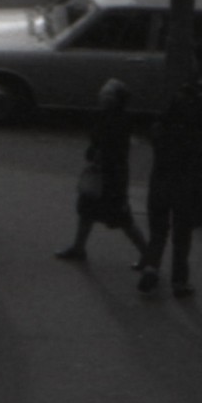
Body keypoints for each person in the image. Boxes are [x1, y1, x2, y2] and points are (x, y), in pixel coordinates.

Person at [54, 80, 151, 265]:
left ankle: (148, 255)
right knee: (88, 211)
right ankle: (79, 247)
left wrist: (95, 155)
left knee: (121, 218)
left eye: (106, 94)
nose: (101, 96)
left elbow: (106, 147)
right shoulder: (113, 117)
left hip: (110, 176)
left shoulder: (115, 121)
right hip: (108, 174)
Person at [138, 84, 202, 297]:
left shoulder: (160, 129)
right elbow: (201, 163)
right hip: (184, 189)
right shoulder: (194, 133)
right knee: (182, 237)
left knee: (158, 232)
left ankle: (151, 269)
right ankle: (179, 281)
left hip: (159, 184)